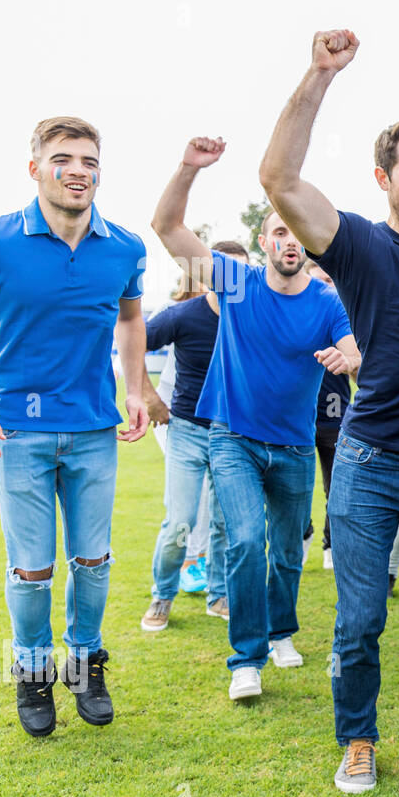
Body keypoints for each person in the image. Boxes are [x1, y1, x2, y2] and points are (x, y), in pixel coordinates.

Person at [258, 29, 399, 795]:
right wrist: (318, 74)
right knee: (356, 622)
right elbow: (278, 176)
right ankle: (358, 739)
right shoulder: (355, 244)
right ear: (384, 178)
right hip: (369, 464)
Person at [151, 135, 359, 702]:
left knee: (288, 551)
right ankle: (245, 658)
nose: (291, 241)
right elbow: (167, 227)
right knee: (244, 540)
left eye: (298, 233)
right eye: (280, 232)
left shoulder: (326, 301)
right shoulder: (233, 282)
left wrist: (348, 356)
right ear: (265, 240)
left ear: (310, 245)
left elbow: (356, 351)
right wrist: (188, 167)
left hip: (293, 446)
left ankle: (280, 634)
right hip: (233, 439)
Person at [0, 116, 149, 736]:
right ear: (35, 169)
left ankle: (84, 662)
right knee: (32, 567)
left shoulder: (126, 248)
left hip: (92, 430)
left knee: (93, 560)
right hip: (15, 432)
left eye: (89, 160)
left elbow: (131, 320)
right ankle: (32, 672)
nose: (78, 170)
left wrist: (135, 389)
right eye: (63, 158)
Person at [139, 242, 248, 630]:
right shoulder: (183, 315)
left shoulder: (254, 317)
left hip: (235, 435)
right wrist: (148, 396)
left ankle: (218, 595)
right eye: (225, 270)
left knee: (225, 523)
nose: (234, 280)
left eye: (242, 272)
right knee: (181, 522)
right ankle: (162, 595)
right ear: (207, 274)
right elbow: (133, 342)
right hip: (186, 431)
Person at [304, 259, 351, 571]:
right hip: (299, 418)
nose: (326, 285)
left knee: (337, 491)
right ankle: (302, 533)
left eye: (329, 280)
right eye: (319, 279)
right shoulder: (298, 313)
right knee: (293, 488)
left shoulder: (344, 315)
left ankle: (331, 544)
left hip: (337, 419)